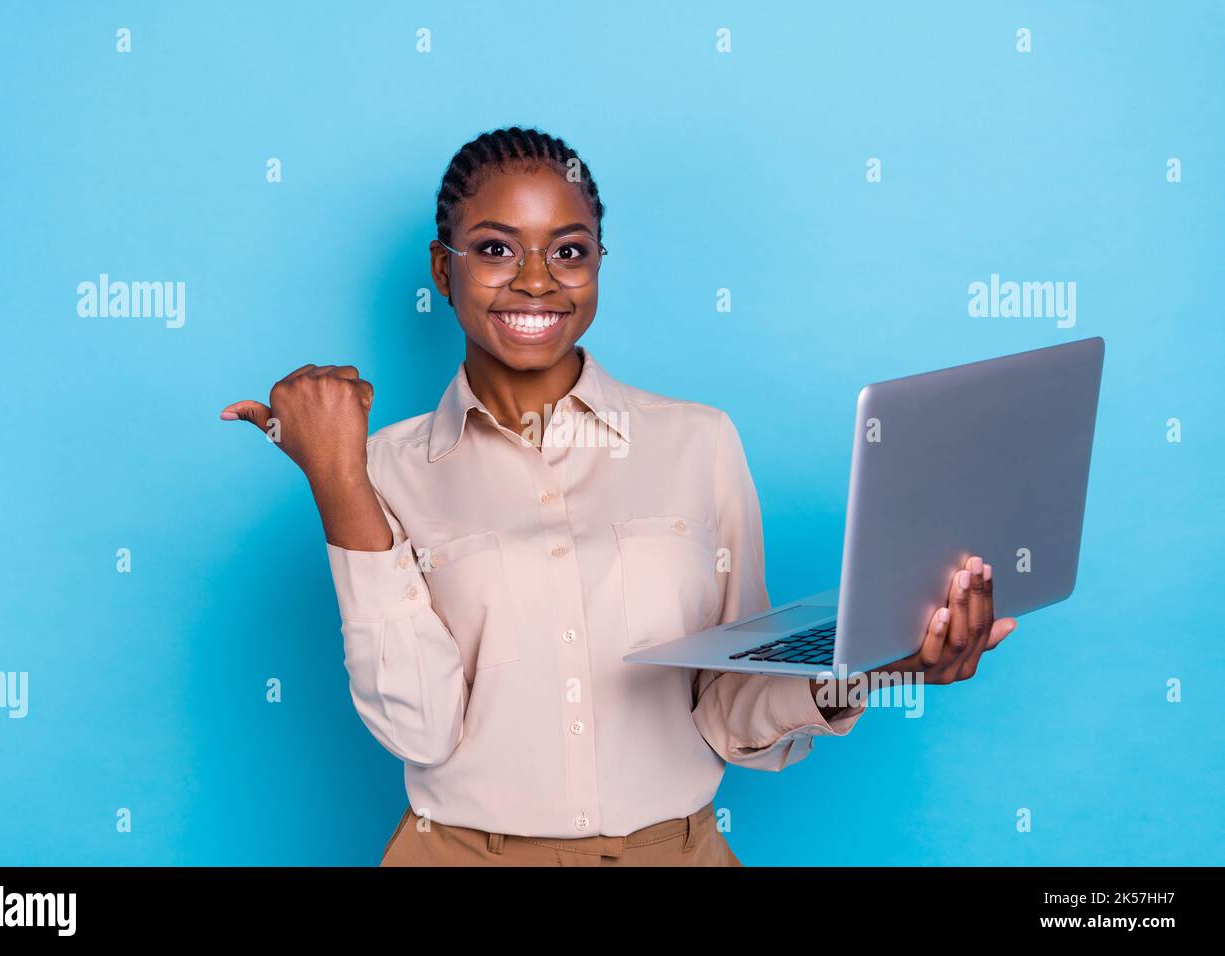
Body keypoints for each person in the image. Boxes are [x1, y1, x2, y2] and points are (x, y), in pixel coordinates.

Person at [221, 126, 1018, 867]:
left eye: (568, 251)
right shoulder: (383, 471)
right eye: (495, 248)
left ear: (599, 262)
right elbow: (418, 730)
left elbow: (730, 713)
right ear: (443, 269)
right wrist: (338, 484)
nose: (535, 281)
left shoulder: (698, 442)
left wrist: (878, 668)